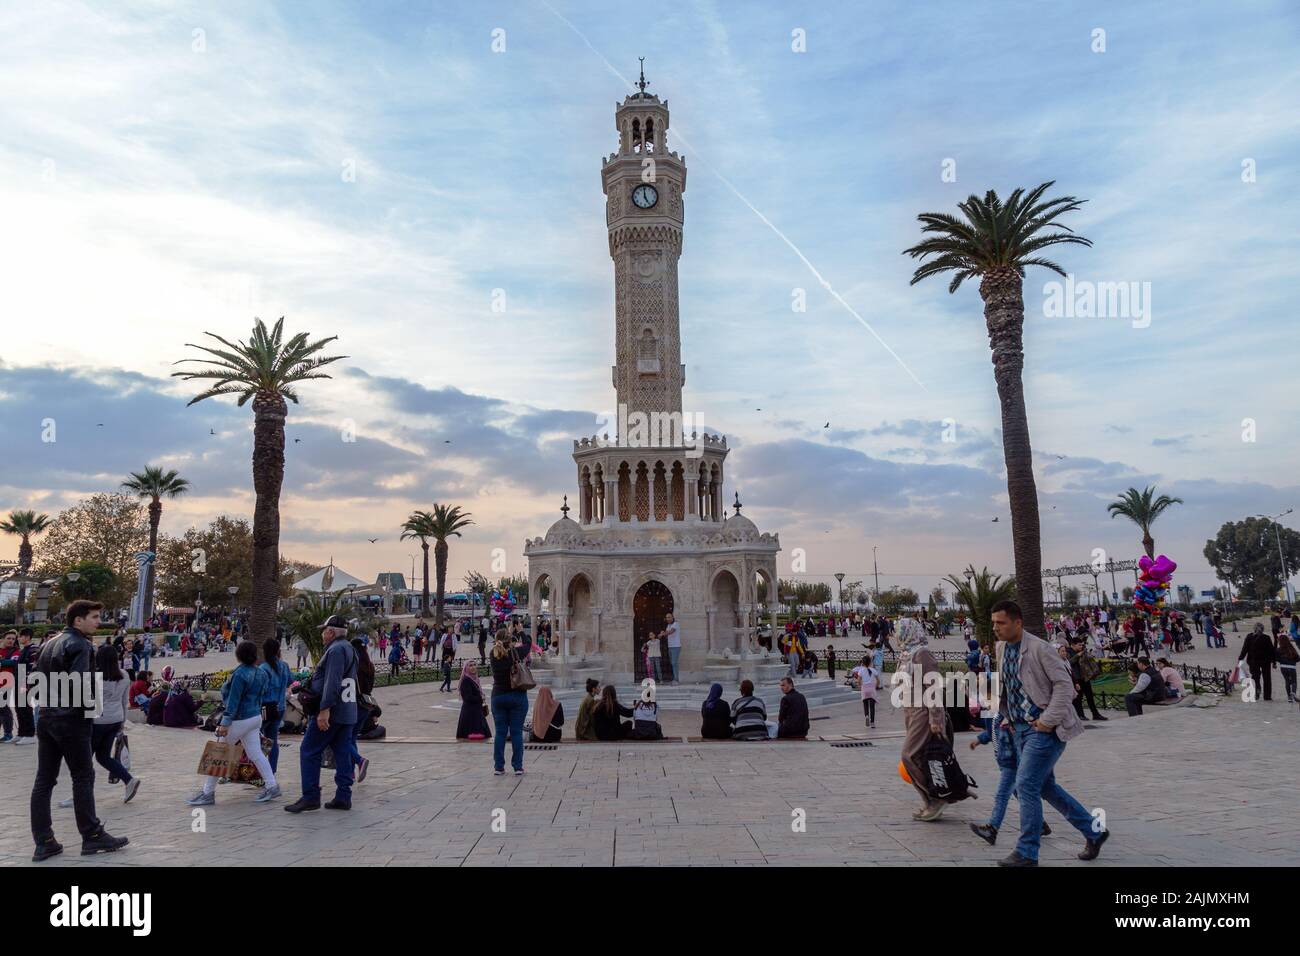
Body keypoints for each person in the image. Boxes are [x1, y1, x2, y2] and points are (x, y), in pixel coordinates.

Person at [991, 600, 1107, 867]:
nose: (996, 628)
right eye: (994, 623)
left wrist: (1047, 721)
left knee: (1026, 785)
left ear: (1017, 623)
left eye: (1001, 623)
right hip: (1020, 729)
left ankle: (1027, 852)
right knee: (1045, 787)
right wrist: (1009, 715)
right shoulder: (1001, 648)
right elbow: (1012, 686)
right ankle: (1093, 831)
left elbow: (1065, 686)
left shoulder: (1040, 649)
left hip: (1044, 731)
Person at [30, 600, 129, 862]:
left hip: (47, 717)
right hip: (71, 720)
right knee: (83, 776)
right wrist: (90, 717)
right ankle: (92, 835)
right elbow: (80, 685)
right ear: (78, 620)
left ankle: (44, 841)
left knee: (44, 780)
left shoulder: (49, 643)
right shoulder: (81, 645)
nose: (98, 621)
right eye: (94, 617)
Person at [187, 640, 277, 806]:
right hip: (255, 717)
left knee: (219, 753)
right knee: (255, 753)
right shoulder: (262, 673)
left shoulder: (240, 674)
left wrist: (225, 722)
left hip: (239, 719)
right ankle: (272, 786)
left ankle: (208, 793)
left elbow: (234, 701)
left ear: (239, 655)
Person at [285, 615, 359, 812]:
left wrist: (324, 710)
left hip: (333, 712)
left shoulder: (335, 650)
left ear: (331, 632)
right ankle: (344, 796)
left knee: (309, 750)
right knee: (342, 752)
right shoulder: (350, 648)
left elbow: (332, 681)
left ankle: (310, 796)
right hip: (347, 710)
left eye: (324, 630)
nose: (322, 634)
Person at [895, 617, 949, 822]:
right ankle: (928, 802)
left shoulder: (922, 653)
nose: (895, 634)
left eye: (899, 630)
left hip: (923, 710)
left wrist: (936, 718)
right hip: (910, 709)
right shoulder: (907, 653)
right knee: (917, 757)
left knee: (908, 755)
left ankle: (936, 797)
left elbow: (933, 685)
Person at [89, 642, 140, 802]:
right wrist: (122, 721)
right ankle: (129, 780)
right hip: (115, 719)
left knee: (84, 759)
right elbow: (125, 700)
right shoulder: (124, 675)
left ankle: (82, 793)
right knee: (103, 756)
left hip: (98, 721)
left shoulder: (95, 676)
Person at [488, 629, 529, 776]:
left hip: (498, 696)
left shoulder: (493, 653)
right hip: (516, 695)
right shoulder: (515, 653)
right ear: (510, 639)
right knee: (516, 733)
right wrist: (521, 631)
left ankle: (499, 767)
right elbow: (528, 644)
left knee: (500, 733)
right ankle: (518, 767)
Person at [259, 638, 292, 774]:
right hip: (280, 707)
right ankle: (271, 771)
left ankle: (259, 771)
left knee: (257, 739)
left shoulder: (263, 668)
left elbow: (261, 689)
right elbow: (291, 681)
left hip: (265, 708)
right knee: (273, 740)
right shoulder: (284, 666)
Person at [1067, 637, 1107, 721]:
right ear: (1073, 645)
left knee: (1090, 696)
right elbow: (1068, 663)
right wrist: (1077, 656)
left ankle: (1095, 714)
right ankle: (1080, 715)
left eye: (1082, 645)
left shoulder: (1082, 651)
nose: (1081, 646)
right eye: (1079, 645)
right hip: (1076, 678)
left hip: (1085, 677)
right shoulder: (1068, 652)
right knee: (1078, 698)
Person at [1237, 623, 1277, 701]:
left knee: (1255, 677)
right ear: (1263, 629)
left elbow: (1245, 648)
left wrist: (1240, 658)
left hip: (1253, 661)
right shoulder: (1266, 638)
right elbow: (1271, 651)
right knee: (1267, 678)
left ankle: (1257, 689)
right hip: (1265, 661)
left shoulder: (1249, 637)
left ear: (1254, 629)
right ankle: (1267, 696)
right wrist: (1274, 662)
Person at [455, 660, 492, 740]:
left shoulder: (475, 679)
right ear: (466, 668)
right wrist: (480, 697)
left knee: (482, 737)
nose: (473, 667)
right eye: (470, 665)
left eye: (474, 665)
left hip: (476, 712)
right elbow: (468, 698)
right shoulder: (466, 680)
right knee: (473, 738)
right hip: (470, 714)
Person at [849, 656, 880, 728]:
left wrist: (860, 686)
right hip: (872, 689)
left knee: (865, 705)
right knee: (872, 706)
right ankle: (872, 722)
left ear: (862, 663)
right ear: (870, 662)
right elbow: (878, 681)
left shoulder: (861, 670)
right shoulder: (873, 670)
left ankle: (866, 716)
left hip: (864, 689)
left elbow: (858, 681)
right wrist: (875, 687)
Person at [1274, 628, 1299, 703]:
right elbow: (1298, 658)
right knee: (1294, 681)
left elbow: (1276, 658)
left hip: (1283, 667)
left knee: (1287, 681)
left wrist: (1280, 661)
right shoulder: (1291, 648)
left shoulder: (1279, 649)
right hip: (1292, 667)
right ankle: (1293, 693)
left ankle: (1289, 697)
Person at [663, 612, 682, 684]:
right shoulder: (668, 625)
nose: (667, 619)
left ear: (672, 617)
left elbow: (671, 632)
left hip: (676, 646)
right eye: (666, 617)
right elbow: (667, 632)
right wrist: (663, 633)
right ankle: (675, 678)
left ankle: (676, 679)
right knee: (673, 663)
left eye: (669, 617)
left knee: (674, 663)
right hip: (670, 646)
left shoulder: (675, 624)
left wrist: (663, 634)